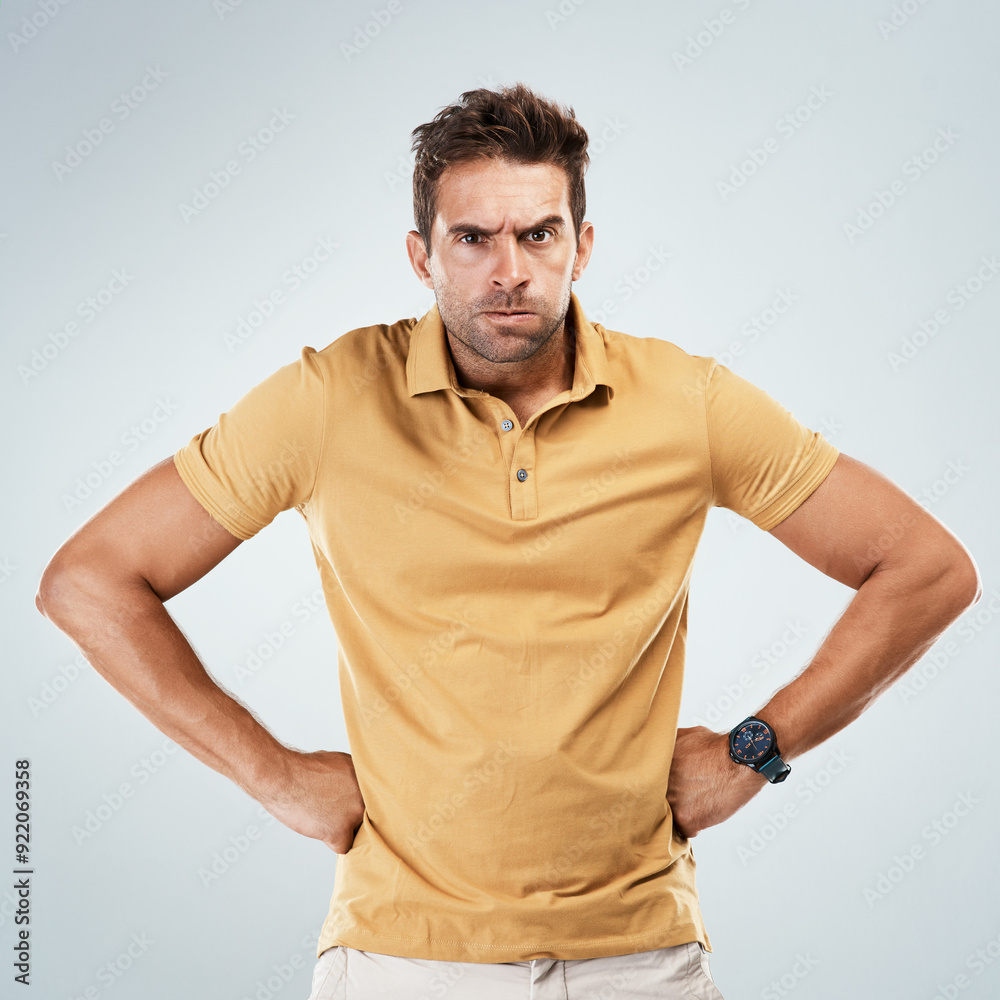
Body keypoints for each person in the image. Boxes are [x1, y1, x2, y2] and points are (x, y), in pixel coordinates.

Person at [36, 83, 981, 1000]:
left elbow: (927, 568)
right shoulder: (328, 400)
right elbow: (90, 579)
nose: (510, 270)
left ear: (584, 245)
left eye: (539, 234)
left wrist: (755, 751)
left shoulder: (688, 403)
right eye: (473, 238)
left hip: (639, 956)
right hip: (402, 959)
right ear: (421, 254)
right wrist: (274, 777)